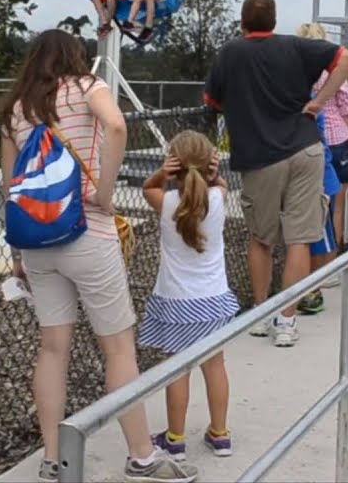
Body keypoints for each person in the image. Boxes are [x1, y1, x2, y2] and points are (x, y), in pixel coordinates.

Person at [0, 30, 198, 483]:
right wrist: (104, 194)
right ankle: (142, 457)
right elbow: (116, 126)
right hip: (87, 229)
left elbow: (11, 188)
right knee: (117, 346)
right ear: (75, 56)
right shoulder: (89, 88)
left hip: (36, 243)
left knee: (52, 348)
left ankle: (53, 459)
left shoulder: (16, 110)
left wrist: (16, 252)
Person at [204, 0, 348, 347]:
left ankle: (260, 312)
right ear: (274, 20)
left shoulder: (231, 53)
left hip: (260, 157)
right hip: (306, 149)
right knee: (300, 238)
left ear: (243, 22)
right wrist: (318, 102)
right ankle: (287, 320)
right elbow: (345, 57)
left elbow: (212, 101)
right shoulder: (296, 46)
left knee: (261, 239)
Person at [140, 131, 237, 461]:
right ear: (209, 164)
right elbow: (219, 184)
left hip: (176, 303)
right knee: (215, 366)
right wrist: (214, 172)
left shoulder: (166, 202)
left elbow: (148, 188)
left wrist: (161, 172)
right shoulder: (219, 199)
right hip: (214, 300)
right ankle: (220, 434)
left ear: (174, 166)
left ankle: (176, 439)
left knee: (177, 369)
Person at [294, 22, 348, 315]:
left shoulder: (298, 76)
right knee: (335, 206)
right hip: (337, 141)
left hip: (305, 143)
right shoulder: (335, 75)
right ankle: (329, 266)